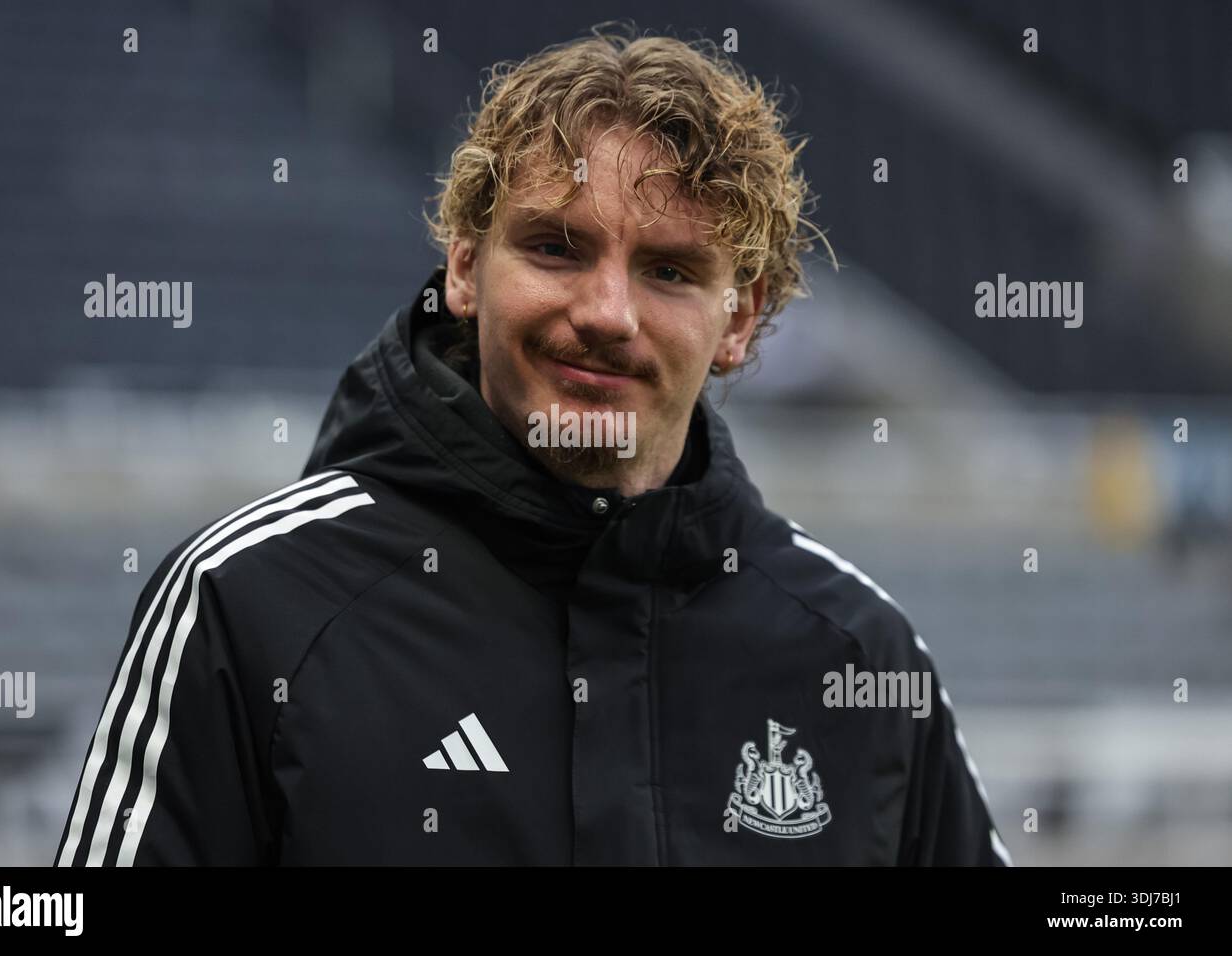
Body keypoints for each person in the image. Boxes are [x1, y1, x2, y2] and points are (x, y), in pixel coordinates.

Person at [55, 25, 1010, 866]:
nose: (605, 314)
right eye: (556, 247)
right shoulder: (246, 604)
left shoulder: (858, 655)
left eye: (670, 270)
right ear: (466, 267)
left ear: (741, 319)